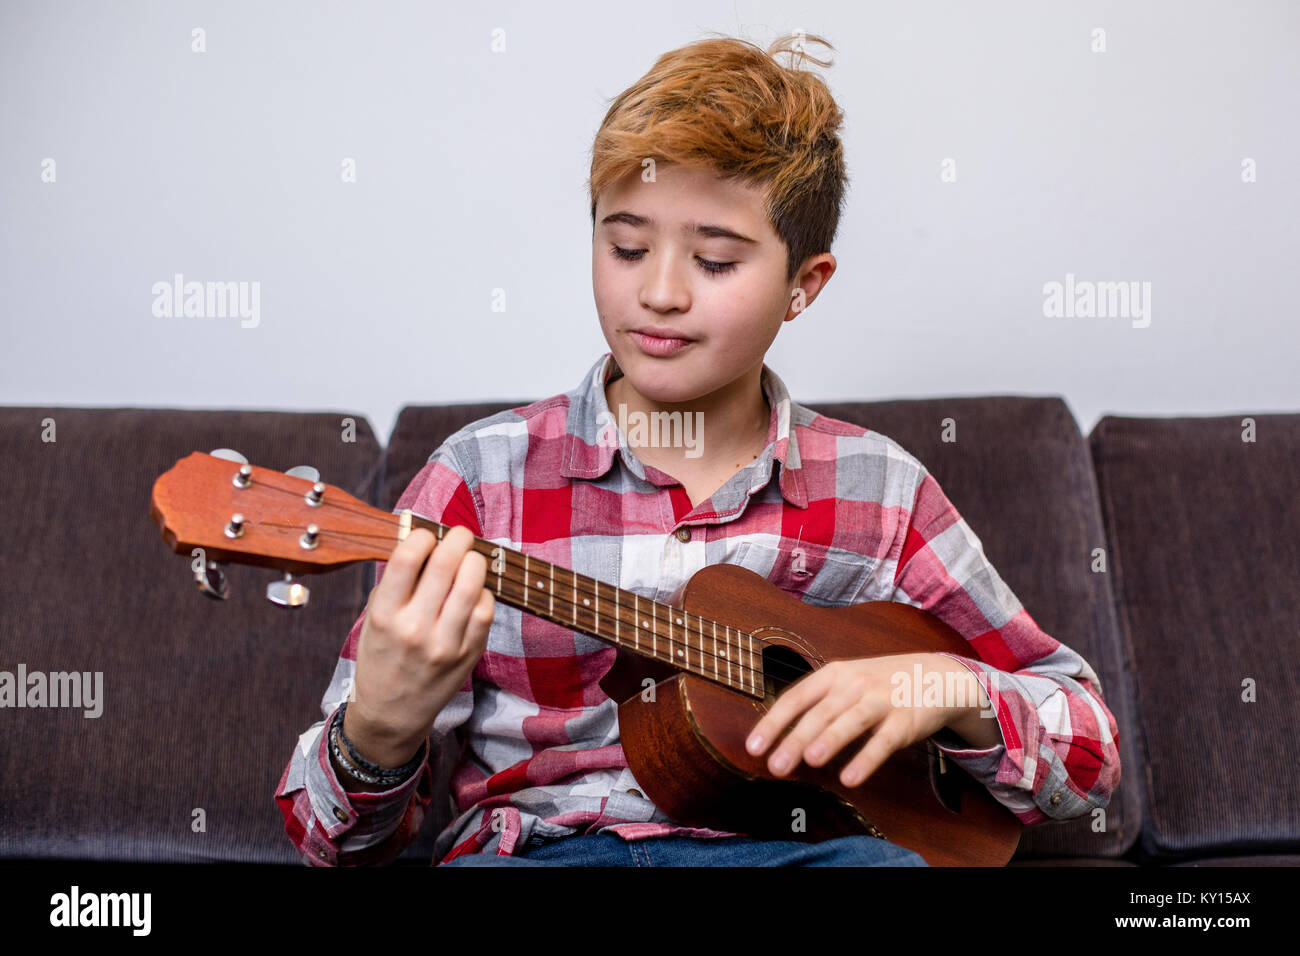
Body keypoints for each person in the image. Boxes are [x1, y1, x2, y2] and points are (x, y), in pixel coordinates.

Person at [275, 31, 1120, 867]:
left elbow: (1088, 752)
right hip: (545, 851)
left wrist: (940, 689)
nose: (659, 292)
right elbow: (331, 845)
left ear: (804, 285)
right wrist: (376, 734)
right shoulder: (476, 482)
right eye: (627, 247)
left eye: (714, 260)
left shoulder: (881, 491)